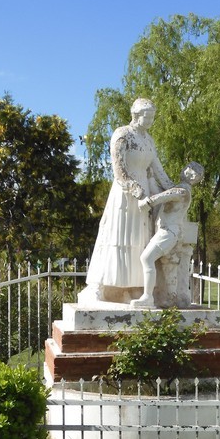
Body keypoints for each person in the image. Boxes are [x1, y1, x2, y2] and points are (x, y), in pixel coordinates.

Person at [78, 99, 174, 304]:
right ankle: (102, 286)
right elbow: (119, 170)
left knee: (138, 241)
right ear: (136, 115)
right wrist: (136, 190)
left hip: (144, 197)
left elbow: (157, 169)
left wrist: (174, 189)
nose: (151, 121)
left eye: (152, 117)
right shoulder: (122, 134)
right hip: (125, 194)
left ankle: (131, 287)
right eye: (147, 117)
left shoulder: (148, 140)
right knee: (117, 237)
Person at [130, 162, 204, 309]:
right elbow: (163, 191)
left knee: (147, 258)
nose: (184, 169)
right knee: (156, 262)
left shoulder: (182, 191)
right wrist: (151, 177)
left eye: (188, 169)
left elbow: (164, 196)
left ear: (193, 176)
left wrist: (147, 202)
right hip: (166, 231)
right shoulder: (180, 189)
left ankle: (147, 297)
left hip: (168, 233)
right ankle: (162, 297)